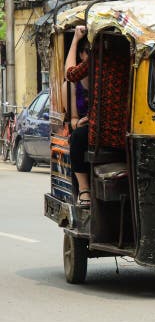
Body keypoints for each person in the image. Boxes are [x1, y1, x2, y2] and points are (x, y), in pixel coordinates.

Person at [65, 26, 91, 207]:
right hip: (84, 127)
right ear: (82, 54)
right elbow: (70, 74)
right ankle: (84, 189)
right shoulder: (75, 83)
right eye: (88, 51)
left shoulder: (102, 71)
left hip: (100, 125)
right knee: (78, 136)